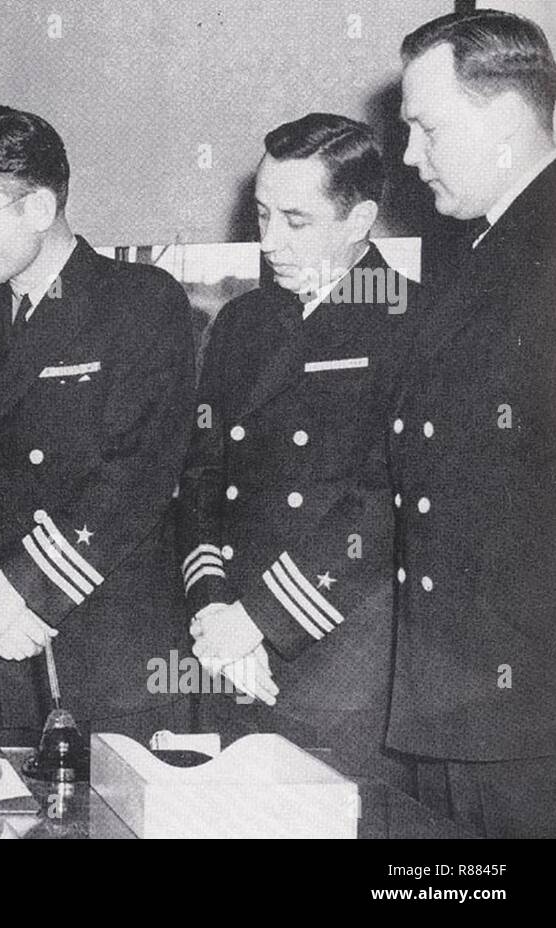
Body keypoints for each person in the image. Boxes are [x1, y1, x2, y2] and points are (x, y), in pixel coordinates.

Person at [0, 106, 196, 747]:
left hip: (110, 664)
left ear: (39, 208)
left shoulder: (140, 301)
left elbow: (136, 478)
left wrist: (24, 590)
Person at [177, 113, 417, 792]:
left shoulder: (412, 321)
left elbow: (383, 505)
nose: (270, 242)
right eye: (260, 216)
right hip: (228, 648)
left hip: (340, 663)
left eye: (296, 220)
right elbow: (200, 476)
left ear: (359, 219)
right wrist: (215, 604)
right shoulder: (241, 324)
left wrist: (260, 619)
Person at [390, 8, 556, 837]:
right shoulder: (480, 252)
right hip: (459, 698)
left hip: (530, 710)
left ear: (502, 116)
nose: (411, 157)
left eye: (426, 128)